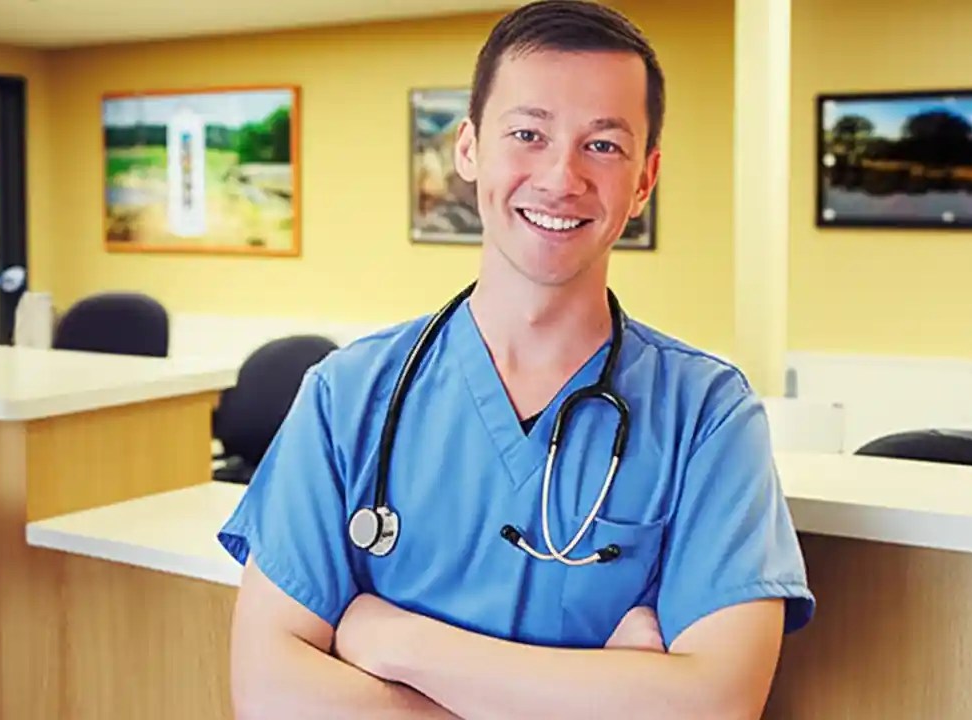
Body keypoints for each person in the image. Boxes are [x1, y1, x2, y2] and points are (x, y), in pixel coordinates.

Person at [217, 1, 815, 717]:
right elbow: (269, 692)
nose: (561, 177)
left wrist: (399, 641)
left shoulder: (708, 415)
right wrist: (605, 693)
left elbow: (714, 706)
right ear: (468, 149)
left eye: (603, 145)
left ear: (645, 179)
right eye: (528, 133)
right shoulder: (346, 396)